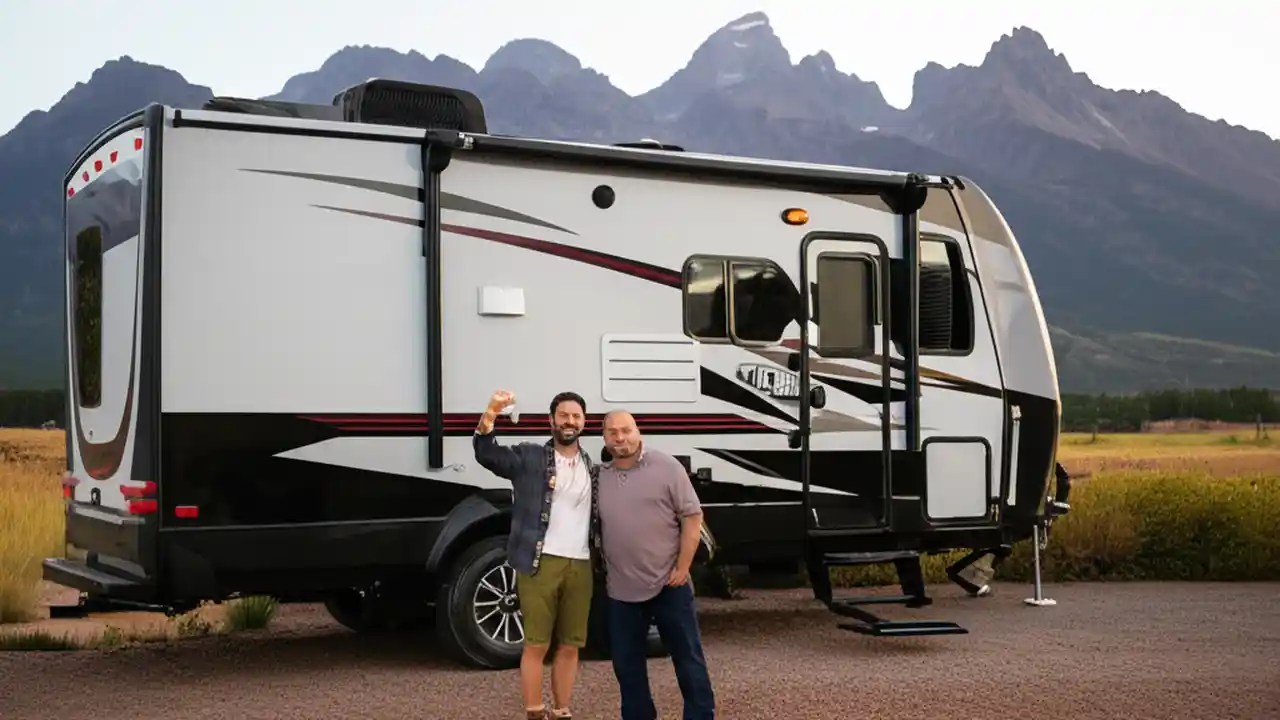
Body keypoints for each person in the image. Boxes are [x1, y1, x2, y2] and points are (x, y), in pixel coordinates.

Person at [473, 389, 598, 720]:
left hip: (581, 564)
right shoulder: (529, 457)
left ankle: (562, 710)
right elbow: (488, 454)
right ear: (551, 420)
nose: (569, 422)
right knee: (536, 644)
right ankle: (534, 711)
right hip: (538, 561)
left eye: (576, 416)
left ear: (585, 422)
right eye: (563, 416)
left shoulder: (592, 467)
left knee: (571, 645)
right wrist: (491, 413)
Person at [596, 409, 716, 720]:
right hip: (621, 591)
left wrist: (682, 567)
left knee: (688, 660)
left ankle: (701, 715)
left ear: (638, 432)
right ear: (605, 437)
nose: (620, 438)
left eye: (626, 430)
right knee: (627, 666)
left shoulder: (666, 467)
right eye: (613, 432)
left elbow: (692, 516)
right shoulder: (600, 476)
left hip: (669, 585)